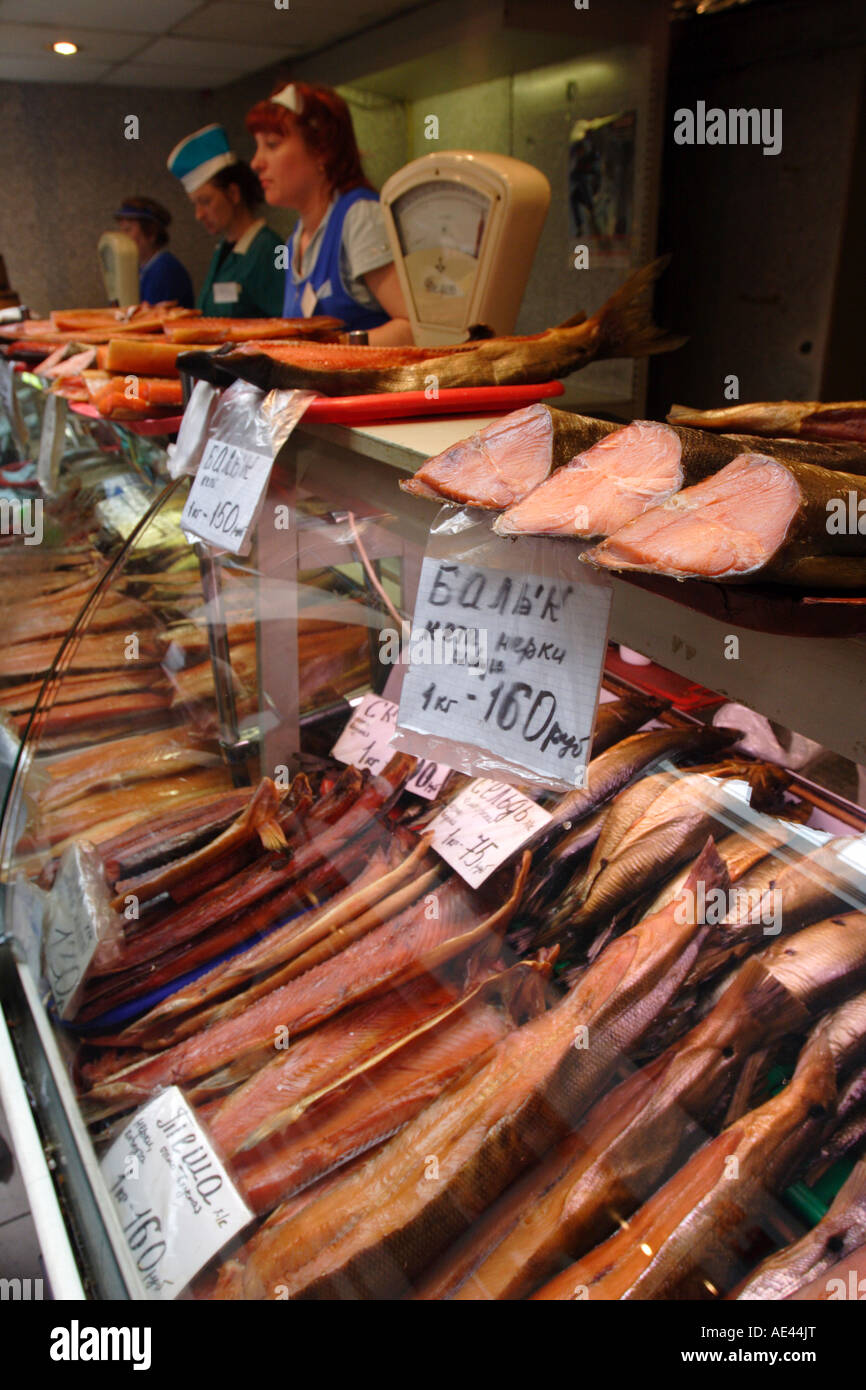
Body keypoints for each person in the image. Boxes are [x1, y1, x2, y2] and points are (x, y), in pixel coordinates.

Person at [246, 82, 413, 344]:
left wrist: (336, 348)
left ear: (322, 150)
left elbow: (414, 328)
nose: (256, 162)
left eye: (272, 144)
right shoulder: (296, 238)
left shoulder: (360, 217)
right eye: (257, 147)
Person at [167, 124, 284, 318]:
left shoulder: (271, 250)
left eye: (205, 202)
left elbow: (288, 323)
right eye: (195, 204)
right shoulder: (223, 249)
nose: (199, 215)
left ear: (233, 193)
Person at [113, 197, 194, 308]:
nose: (122, 236)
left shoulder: (165, 270)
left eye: (128, 229)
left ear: (151, 233)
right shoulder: (143, 269)